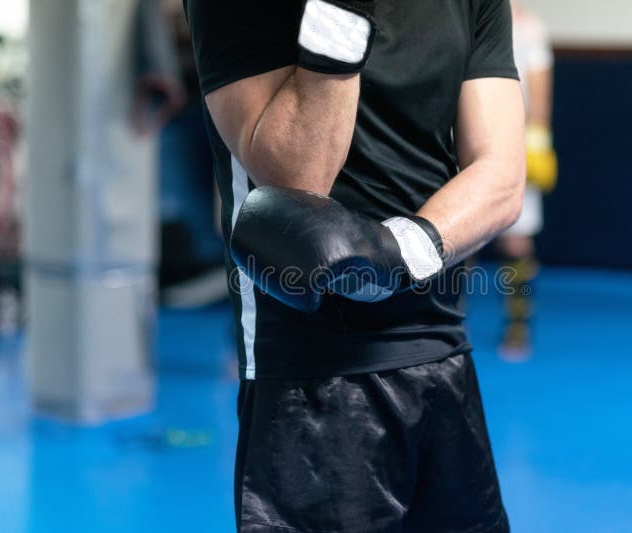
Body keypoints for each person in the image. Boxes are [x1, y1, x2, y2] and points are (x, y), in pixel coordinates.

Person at [183, 1, 526, 531]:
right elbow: (299, 182)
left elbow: (501, 174)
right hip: (309, 375)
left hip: (444, 356)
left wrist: (399, 252)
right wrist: (343, 12)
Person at [497, 1, 558, 361]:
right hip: (464, 140)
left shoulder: (529, 28)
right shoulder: (468, 19)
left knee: (516, 239)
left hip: (516, 145)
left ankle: (518, 325)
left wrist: (536, 138)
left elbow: (540, 87)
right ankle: (449, 323)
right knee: (457, 238)